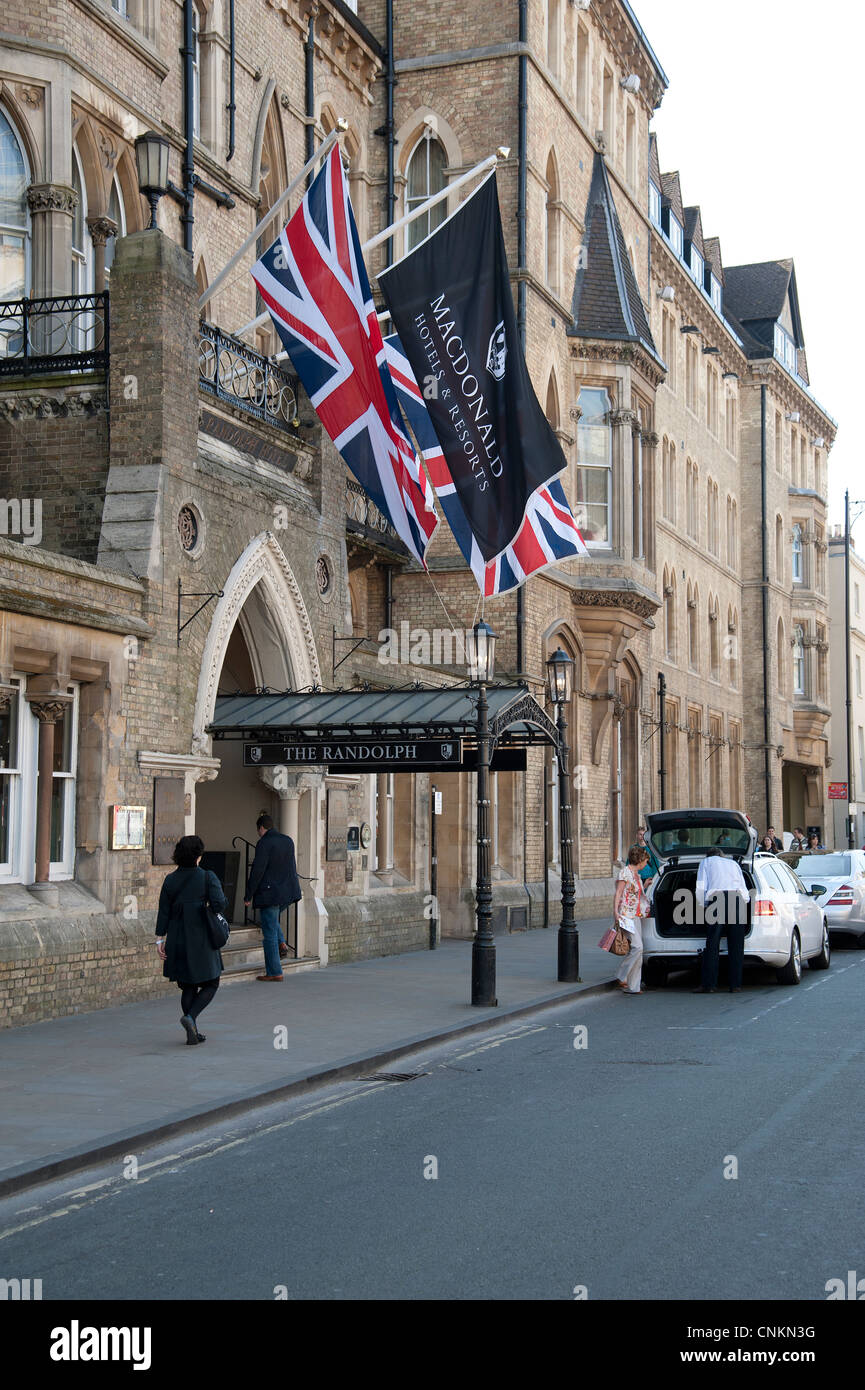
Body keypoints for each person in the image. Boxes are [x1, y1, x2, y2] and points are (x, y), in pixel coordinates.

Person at [156, 834, 227, 1045]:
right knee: (212, 982)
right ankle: (191, 1018)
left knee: (188, 985)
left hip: (177, 938)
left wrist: (159, 939)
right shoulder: (207, 877)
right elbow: (219, 905)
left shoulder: (170, 880)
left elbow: (163, 912)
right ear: (198, 855)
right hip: (202, 936)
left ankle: (193, 1030)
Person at [244, 813, 302, 981]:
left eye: (258, 830)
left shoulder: (264, 843)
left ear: (262, 828)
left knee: (268, 932)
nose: (258, 833)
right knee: (272, 919)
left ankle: (274, 972)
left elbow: (257, 871)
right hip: (288, 892)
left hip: (270, 893)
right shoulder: (287, 840)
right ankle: (282, 942)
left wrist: (249, 895)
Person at [693, 847, 750, 994]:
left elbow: (700, 887)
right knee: (736, 944)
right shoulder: (733, 864)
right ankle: (735, 985)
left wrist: (703, 905)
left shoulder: (706, 862)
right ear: (721, 855)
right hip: (737, 900)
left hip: (717, 899)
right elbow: (744, 890)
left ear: (708, 855)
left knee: (712, 943)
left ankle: (709, 985)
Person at [613, 846, 650, 995]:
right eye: (646, 861)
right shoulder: (625, 873)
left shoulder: (637, 876)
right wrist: (616, 912)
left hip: (636, 915)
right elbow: (619, 893)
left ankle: (634, 987)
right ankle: (621, 975)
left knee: (638, 952)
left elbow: (636, 894)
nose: (646, 864)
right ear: (640, 860)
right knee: (637, 947)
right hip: (626, 915)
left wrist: (645, 885)